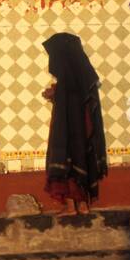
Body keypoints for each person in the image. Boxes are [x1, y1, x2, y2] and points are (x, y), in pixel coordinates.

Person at [41, 33, 108, 215]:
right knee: (82, 160)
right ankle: (84, 205)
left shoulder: (68, 81)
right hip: (84, 132)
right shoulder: (84, 78)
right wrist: (56, 95)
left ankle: (72, 207)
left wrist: (56, 95)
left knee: (68, 161)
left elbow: (68, 104)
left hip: (69, 131)